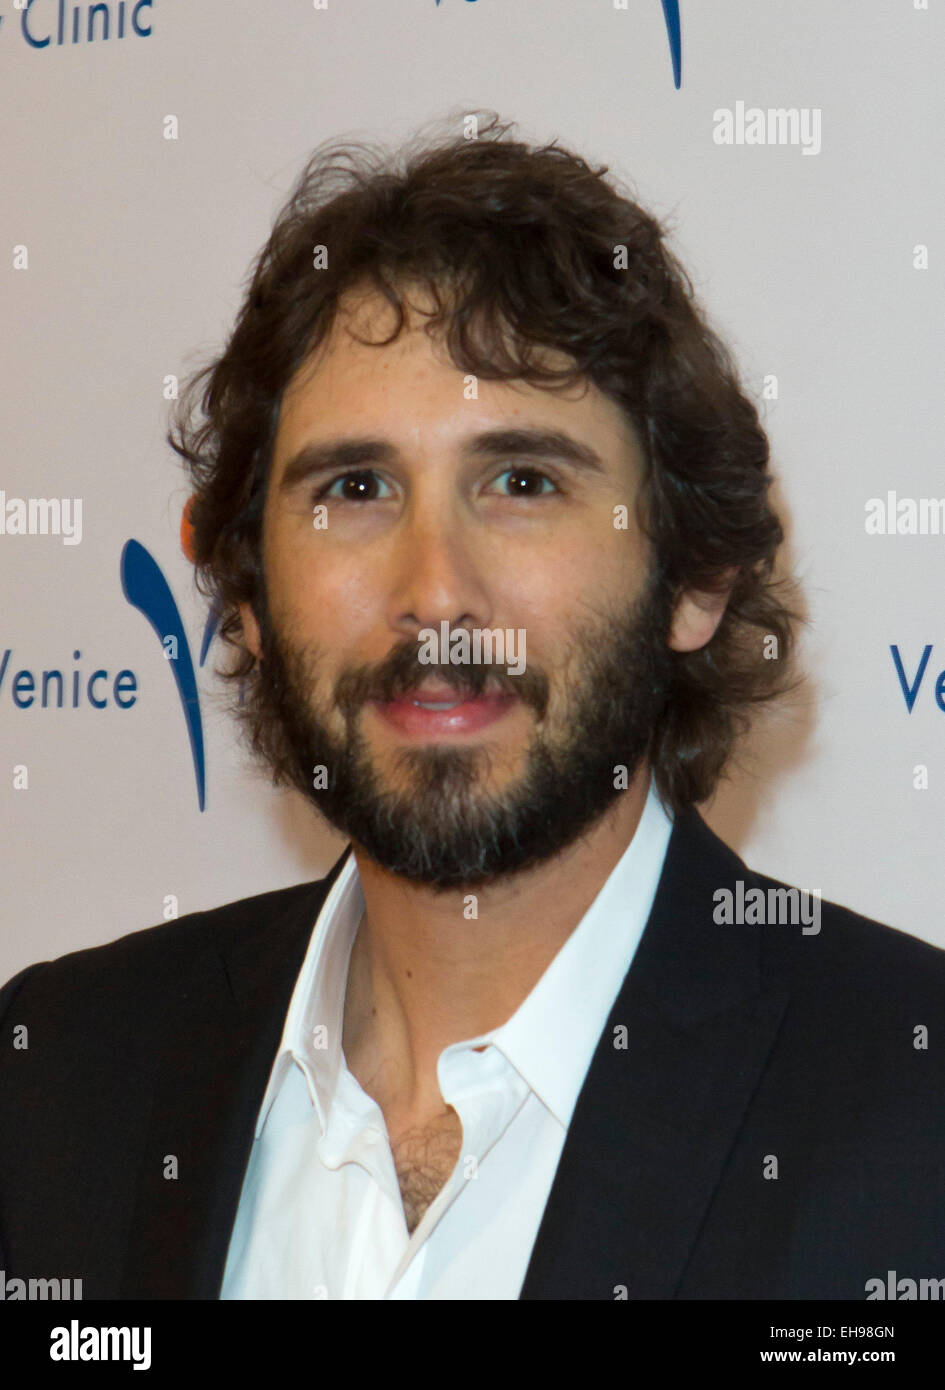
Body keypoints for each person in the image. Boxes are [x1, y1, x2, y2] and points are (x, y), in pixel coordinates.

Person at [2, 114, 944, 1302]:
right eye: (355, 487)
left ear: (695, 577)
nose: (436, 591)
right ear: (248, 594)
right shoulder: (58, 1072)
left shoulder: (912, 1113)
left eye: (522, 482)